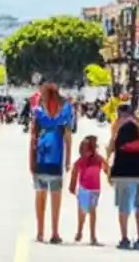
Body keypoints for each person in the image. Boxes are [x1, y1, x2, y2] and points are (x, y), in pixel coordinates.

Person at [29, 83, 73, 244]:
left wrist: (31, 161)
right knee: (55, 198)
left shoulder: (38, 113)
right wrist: (68, 159)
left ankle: (40, 232)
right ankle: (54, 232)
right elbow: (68, 138)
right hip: (56, 161)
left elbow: (33, 138)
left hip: (40, 161)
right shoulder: (64, 114)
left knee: (40, 196)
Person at [106, 103, 139, 250]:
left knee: (123, 206)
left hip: (121, 169)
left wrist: (108, 170)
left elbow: (111, 148)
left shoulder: (116, 127)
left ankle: (124, 238)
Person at [68, 135, 106, 245]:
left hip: (95, 190)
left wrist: (110, 176)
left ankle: (93, 236)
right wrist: (72, 185)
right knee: (82, 212)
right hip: (84, 189)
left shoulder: (98, 159)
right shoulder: (81, 161)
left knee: (92, 211)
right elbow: (74, 172)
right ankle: (80, 231)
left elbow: (106, 167)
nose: (86, 152)